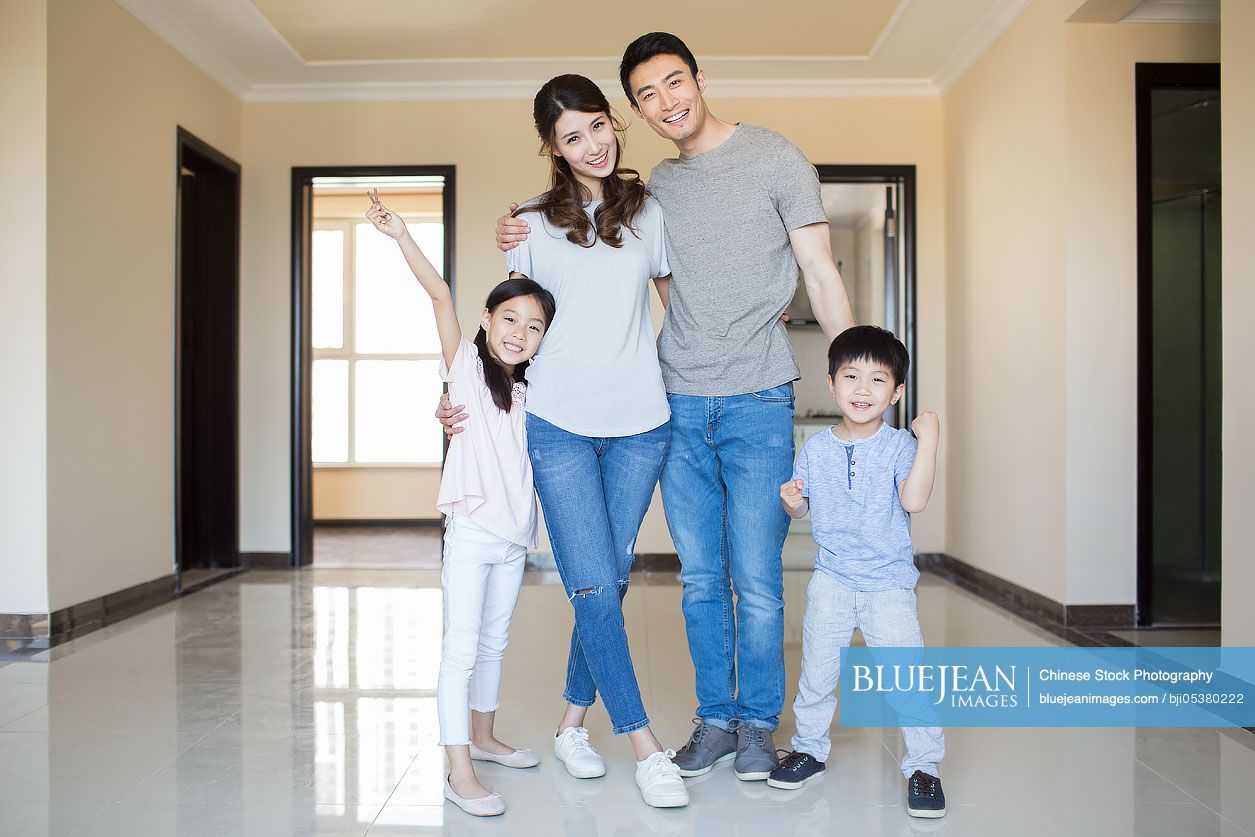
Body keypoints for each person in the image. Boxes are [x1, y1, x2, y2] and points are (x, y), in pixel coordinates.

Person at [486, 32, 857, 783]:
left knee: (752, 578)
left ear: (697, 79)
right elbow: (554, 312)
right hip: (674, 401)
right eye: (646, 94)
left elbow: (813, 268)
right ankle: (710, 721)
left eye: (673, 83)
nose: (664, 102)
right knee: (693, 578)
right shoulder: (622, 199)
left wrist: (857, 368)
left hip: (745, 398)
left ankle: (755, 725)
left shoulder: (751, 165)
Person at [444, 73, 689, 808]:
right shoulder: (526, 223)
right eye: (571, 137)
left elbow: (678, 312)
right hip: (555, 426)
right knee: (591, 581)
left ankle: (571, 723)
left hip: (641, 423)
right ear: (552, 148)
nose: (592, 145)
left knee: (605, 581)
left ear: (614, 121)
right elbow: (506, 334)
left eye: (597, 126)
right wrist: (452, 397)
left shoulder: (650, 213)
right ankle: (645, 745)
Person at [366, 198, 556, 817]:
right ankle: (459, 769)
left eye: (533, 327)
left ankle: (484, 735)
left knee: (495, 643)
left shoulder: (537, 386)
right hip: (473, 527)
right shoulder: (467, 366)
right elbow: (440, 295)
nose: (519, 334)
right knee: (462, 646)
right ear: (488, 318)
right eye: (510, 319)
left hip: (513, 533)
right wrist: (401, 237)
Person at [770, 325, 946, 819]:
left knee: (907, 679)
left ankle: (925, 767)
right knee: (818, 672)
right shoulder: (816, 449)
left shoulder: (897, 447)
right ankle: (808, 748)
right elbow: (806, 509)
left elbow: (914, 499)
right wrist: (794, 505)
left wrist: (929, 440)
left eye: (877, 379)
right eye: (851, 376)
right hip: (831, 579)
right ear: (831, 383)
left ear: (897, 392)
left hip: (888, 584)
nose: (862, 390)